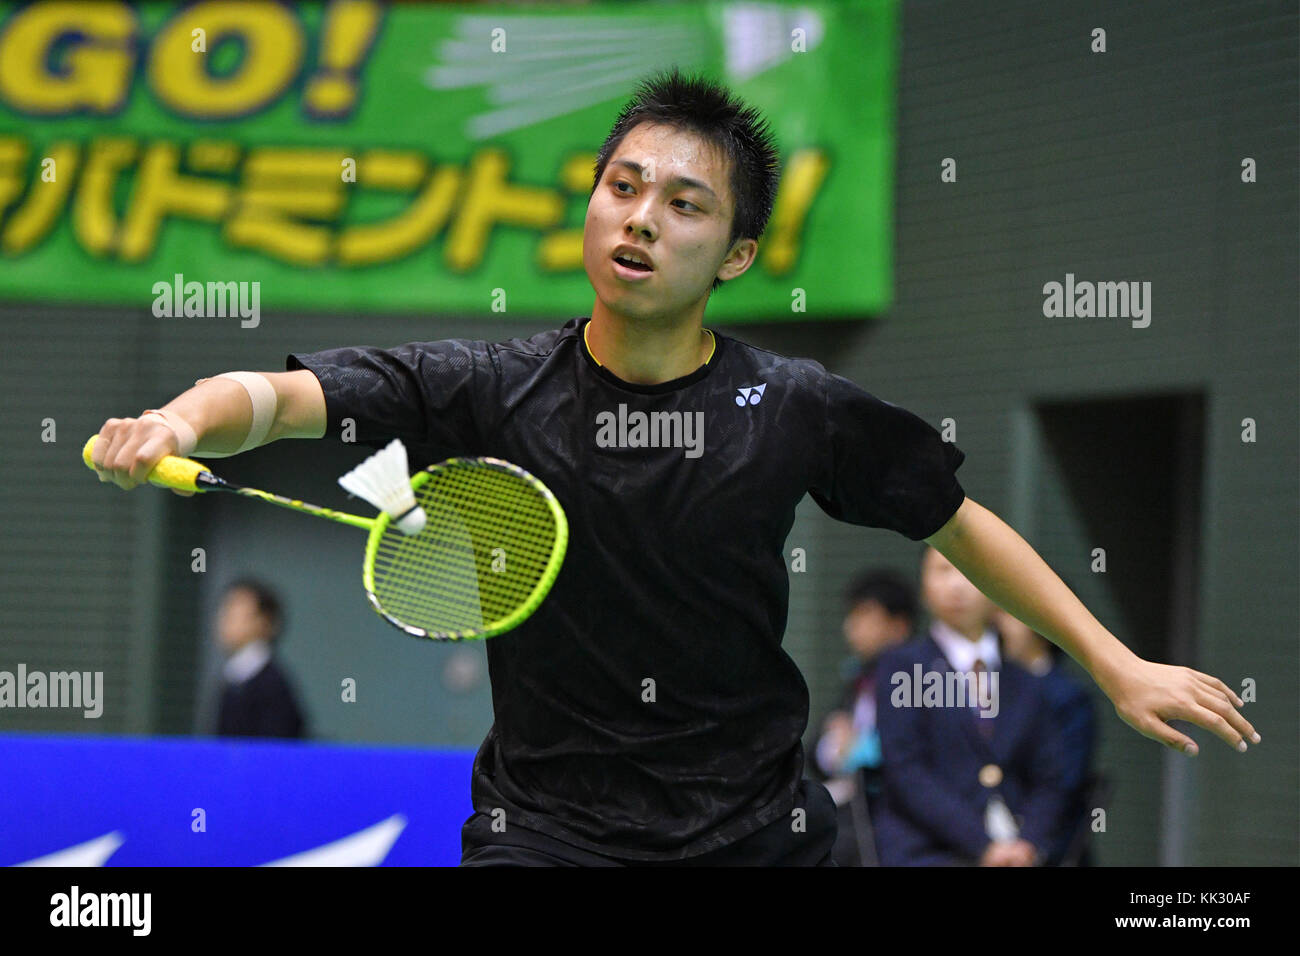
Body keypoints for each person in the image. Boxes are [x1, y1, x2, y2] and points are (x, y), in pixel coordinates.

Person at [90, 67, 1257, 866]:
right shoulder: (491, 388)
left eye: (684, 203)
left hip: (752, 832)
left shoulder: (793, 405)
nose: (639, 217)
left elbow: (954, 518)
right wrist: (180, 422)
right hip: (544, 833)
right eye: (622, 186)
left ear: (738, 251)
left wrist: (1111, 661)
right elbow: (290, 396)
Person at [873, 547, 1067, 865]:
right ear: (924, 587)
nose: (957, 585)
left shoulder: (1025, 681)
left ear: (996, 588)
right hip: (926, 849)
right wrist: (983, 845)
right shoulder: (903, 666)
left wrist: (1028, 843)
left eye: (969, 570)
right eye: (943, 570)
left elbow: (1051, 777)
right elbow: (906, 770)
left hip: (1019, 851)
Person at [813, 570, 917, 865]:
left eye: (865, 614)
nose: (851, 626)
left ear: (898, 625)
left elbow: (906, 754)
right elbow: (818, 748)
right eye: (852, 615)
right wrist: (834, 748)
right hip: (849, 810)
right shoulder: (858, 677)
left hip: (889, 821)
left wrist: (860, 749)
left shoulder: (916, 680)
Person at [994, 606, 1096, 864]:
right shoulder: (989, 687)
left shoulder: (1067, 697)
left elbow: (1065, 779)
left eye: (1008, 612)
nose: (998, 623)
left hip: (1041, 836)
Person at [212, 577, 308, 740]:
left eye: (236, 612)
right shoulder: (232, 679)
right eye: (225, 610)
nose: (225, 620)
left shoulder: (273, 686)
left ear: (263, 622)